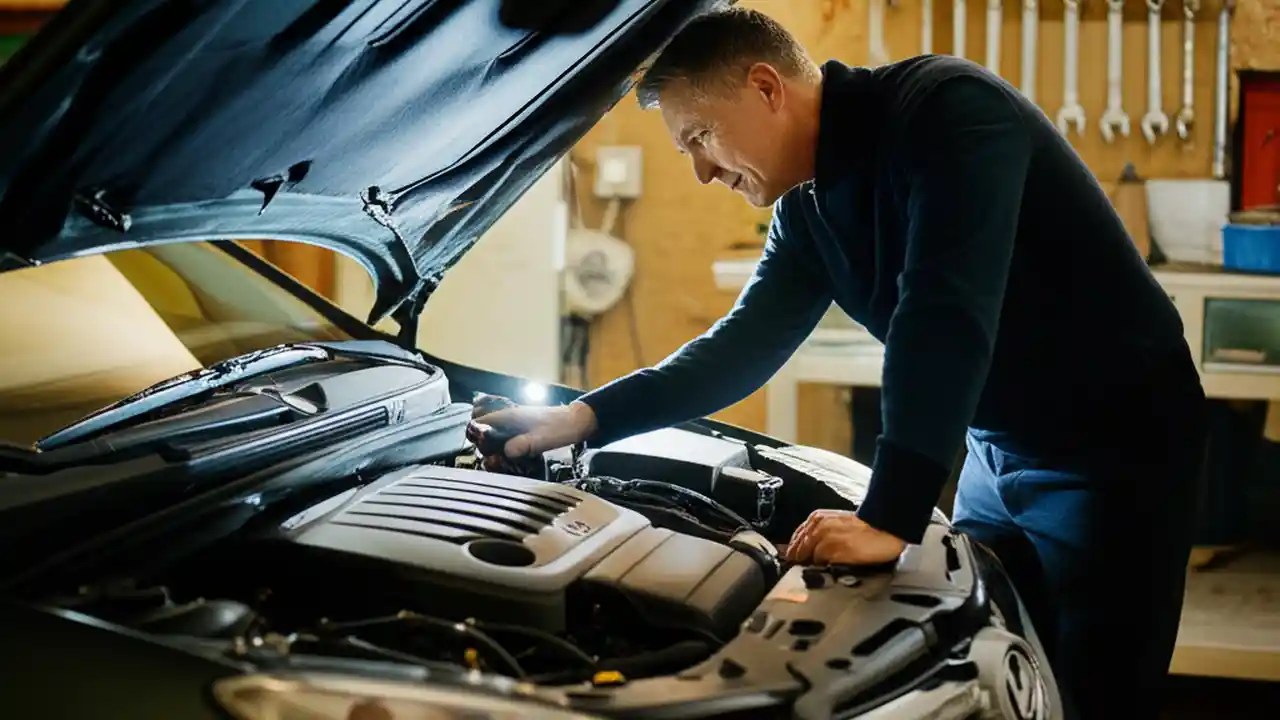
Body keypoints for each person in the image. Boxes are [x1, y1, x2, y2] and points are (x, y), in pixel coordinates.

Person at [470, 7, 1207, 719]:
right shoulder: (807, 210)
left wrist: (890, 513)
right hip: (999, 451)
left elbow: (944, 314)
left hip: (1114, 450)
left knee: (1093, 695)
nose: (700, 172)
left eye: (701, 136)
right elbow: (739, 350)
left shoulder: (949, 112)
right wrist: (582, 418)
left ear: (766, 88)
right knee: (999, 671)